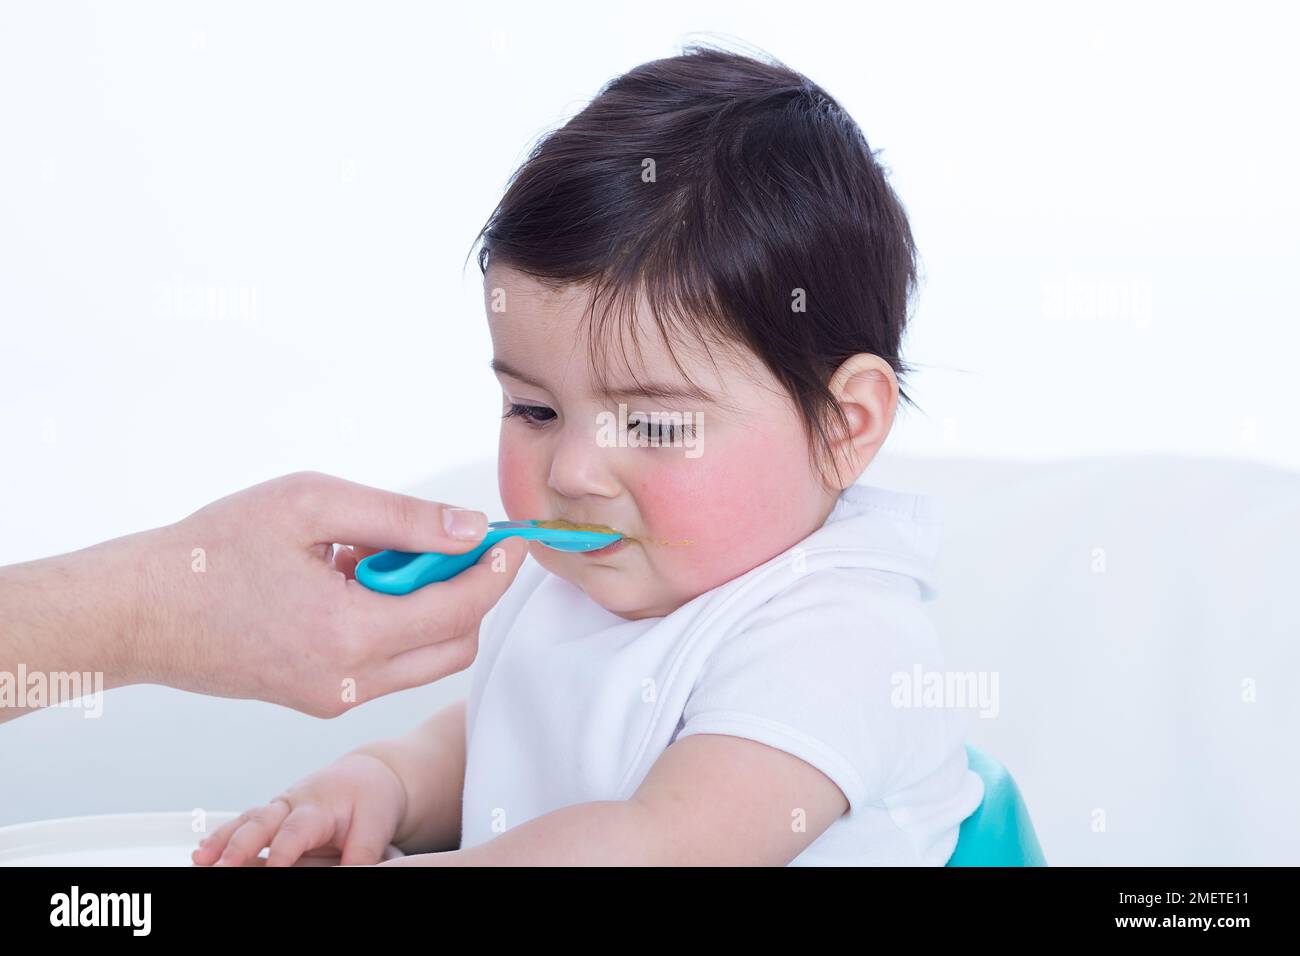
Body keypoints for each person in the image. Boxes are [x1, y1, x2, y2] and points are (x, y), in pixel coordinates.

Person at [0, 471, 527, 724]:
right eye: (534, 410)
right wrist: (389, 785)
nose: (571, 472)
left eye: (616, 421)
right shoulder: (541, 593)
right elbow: (492, 739)